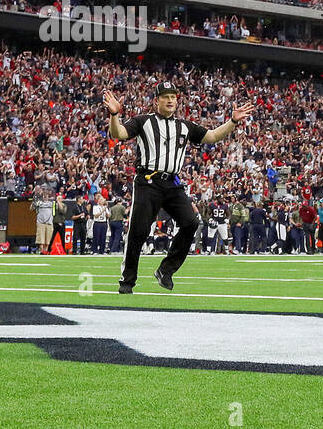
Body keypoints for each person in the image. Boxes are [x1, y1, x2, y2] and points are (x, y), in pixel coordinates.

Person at [104, 80, 251, 294]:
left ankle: (166, 270)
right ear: (156, 101)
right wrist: (114, 114)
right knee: (139, 231)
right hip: (148, 181)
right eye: (165, 96)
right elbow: (119, 134)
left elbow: (212, 136)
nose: (170, 100)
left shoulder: (184, 126)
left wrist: (232, 121)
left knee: (191, 222)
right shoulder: (143, 121)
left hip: (172, 182)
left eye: (173, 96)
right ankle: (127, 281)